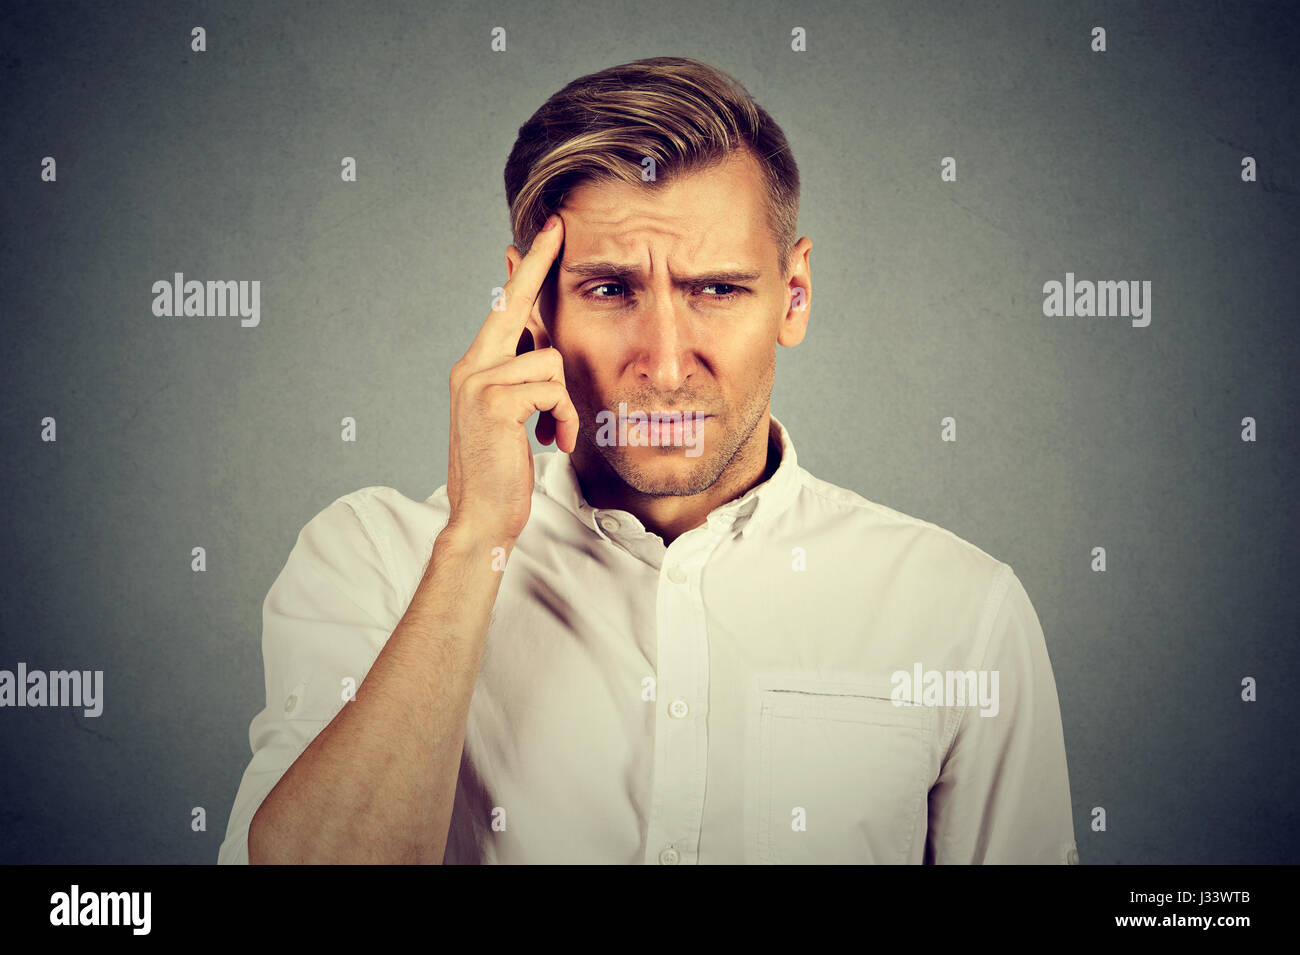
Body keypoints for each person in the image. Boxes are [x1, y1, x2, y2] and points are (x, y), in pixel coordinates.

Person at [218, 56, 1078, 865]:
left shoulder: (962, 612)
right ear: (532, 308)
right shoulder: (374, 559)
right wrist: (476, 536)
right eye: (610, 289)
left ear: (795, 295)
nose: (665, 365)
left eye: (717, 289)